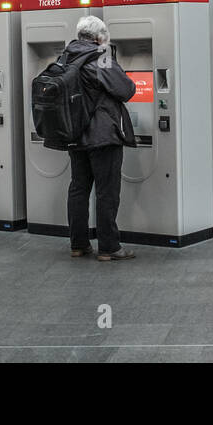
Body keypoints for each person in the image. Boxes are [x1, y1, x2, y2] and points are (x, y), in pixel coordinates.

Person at [46, 15, 138, 261]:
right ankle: (109, 247)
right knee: (106, 191)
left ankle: (78, 244)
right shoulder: (101, 57)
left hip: (73, 132)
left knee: (78, 188)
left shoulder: (65, 56)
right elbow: (126, 90)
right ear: (99, 36)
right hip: (102, 134)